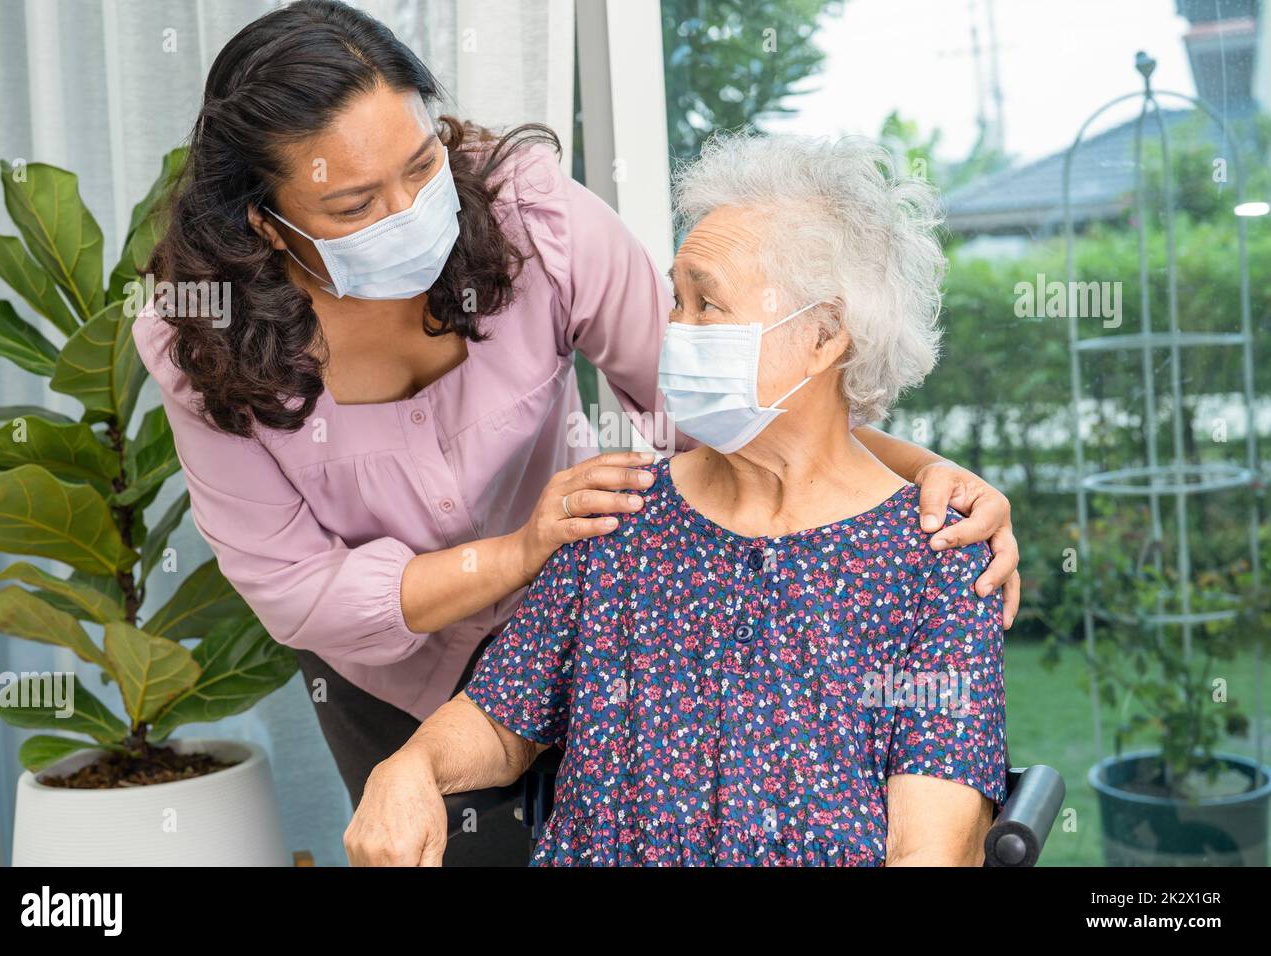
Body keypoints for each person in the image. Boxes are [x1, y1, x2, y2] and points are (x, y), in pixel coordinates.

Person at [135, 0, 1019, 863]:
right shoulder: (619, 525)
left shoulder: (930, 560)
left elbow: (752, 418)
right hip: (387, 665)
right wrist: (419, 746)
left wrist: (942, 479)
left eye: (420, 167)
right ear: (267, 221)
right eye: (356, 204)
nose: (406, 213)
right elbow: (301, 594)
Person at [343, 133, 1006, 866]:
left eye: (705, 303)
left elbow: (932, 848)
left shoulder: (935, 557)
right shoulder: (617, 508)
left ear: (823, 336)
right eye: (675, 297)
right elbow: (503, 720)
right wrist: (411, 765)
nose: (674, 331)